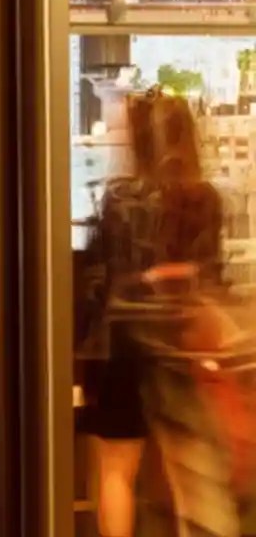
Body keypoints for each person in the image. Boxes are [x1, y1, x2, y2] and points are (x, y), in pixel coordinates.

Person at [81, 91, 226, 537]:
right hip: (182, 344)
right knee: (191, 474)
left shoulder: (118, 197)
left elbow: (99, 277)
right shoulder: (204, 198)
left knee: (115, 469)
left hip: (124, 344)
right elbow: (213, 277)